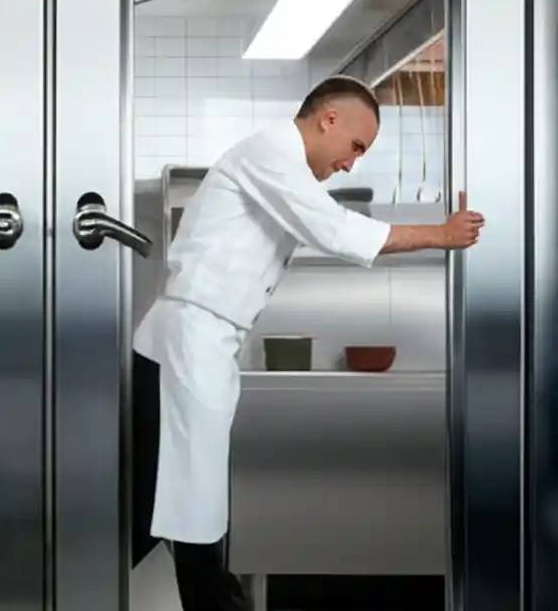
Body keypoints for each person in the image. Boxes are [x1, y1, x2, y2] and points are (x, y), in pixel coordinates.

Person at [130, 76, 484, 610]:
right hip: (187, 343)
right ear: (328, 120)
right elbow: (339, 232)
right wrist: (442, 233)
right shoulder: (272, 151)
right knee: (180, 504)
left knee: (171, 501)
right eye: (356, 147)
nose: (352, 162)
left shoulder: (281, 165)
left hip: (201, 343)